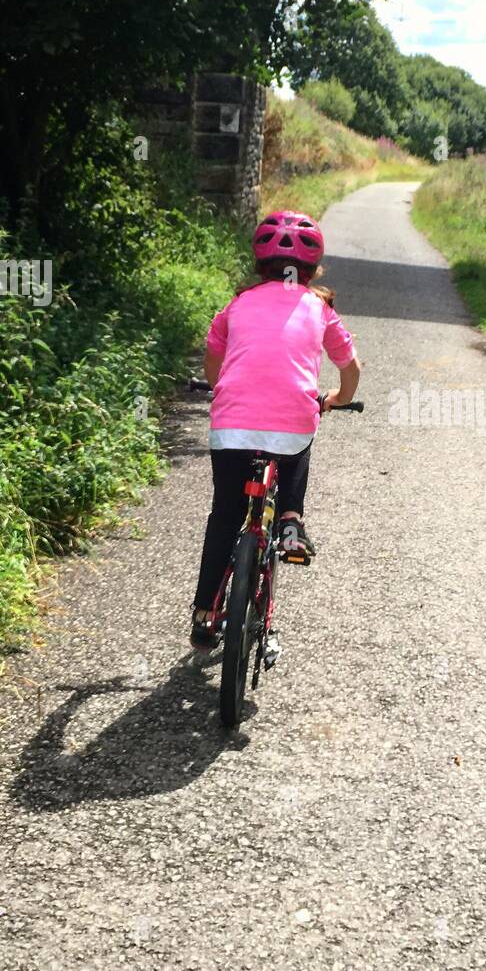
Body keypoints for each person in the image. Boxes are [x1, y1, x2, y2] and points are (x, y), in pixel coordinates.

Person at [190, 210, 360, 649]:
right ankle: (290, 519)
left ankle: (205, 615)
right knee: (299, 433)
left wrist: (223, 388)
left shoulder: (237, 304)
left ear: (258, 263)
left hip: (232, 426)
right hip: (290, 425)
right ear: (313, 268)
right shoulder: (320, 308)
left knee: (225, 514)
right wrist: (337, 398)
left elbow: (213, 360)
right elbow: (350, 367)